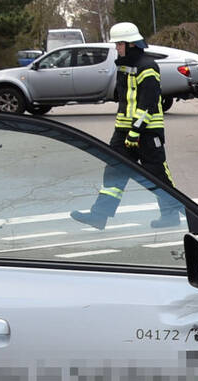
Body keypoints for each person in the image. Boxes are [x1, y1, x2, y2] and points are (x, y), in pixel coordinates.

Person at [70, 21, 180, 230]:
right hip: (124, 130)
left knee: (157, 175)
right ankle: (99, 215)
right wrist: (126, 132)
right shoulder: (123, 65)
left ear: (130, 44)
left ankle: (172, 215)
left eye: (119, 44)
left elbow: (147, 104)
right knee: (113, 170)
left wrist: (135, 131)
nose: (116, 48)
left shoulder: (148, 67)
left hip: (147, 132)